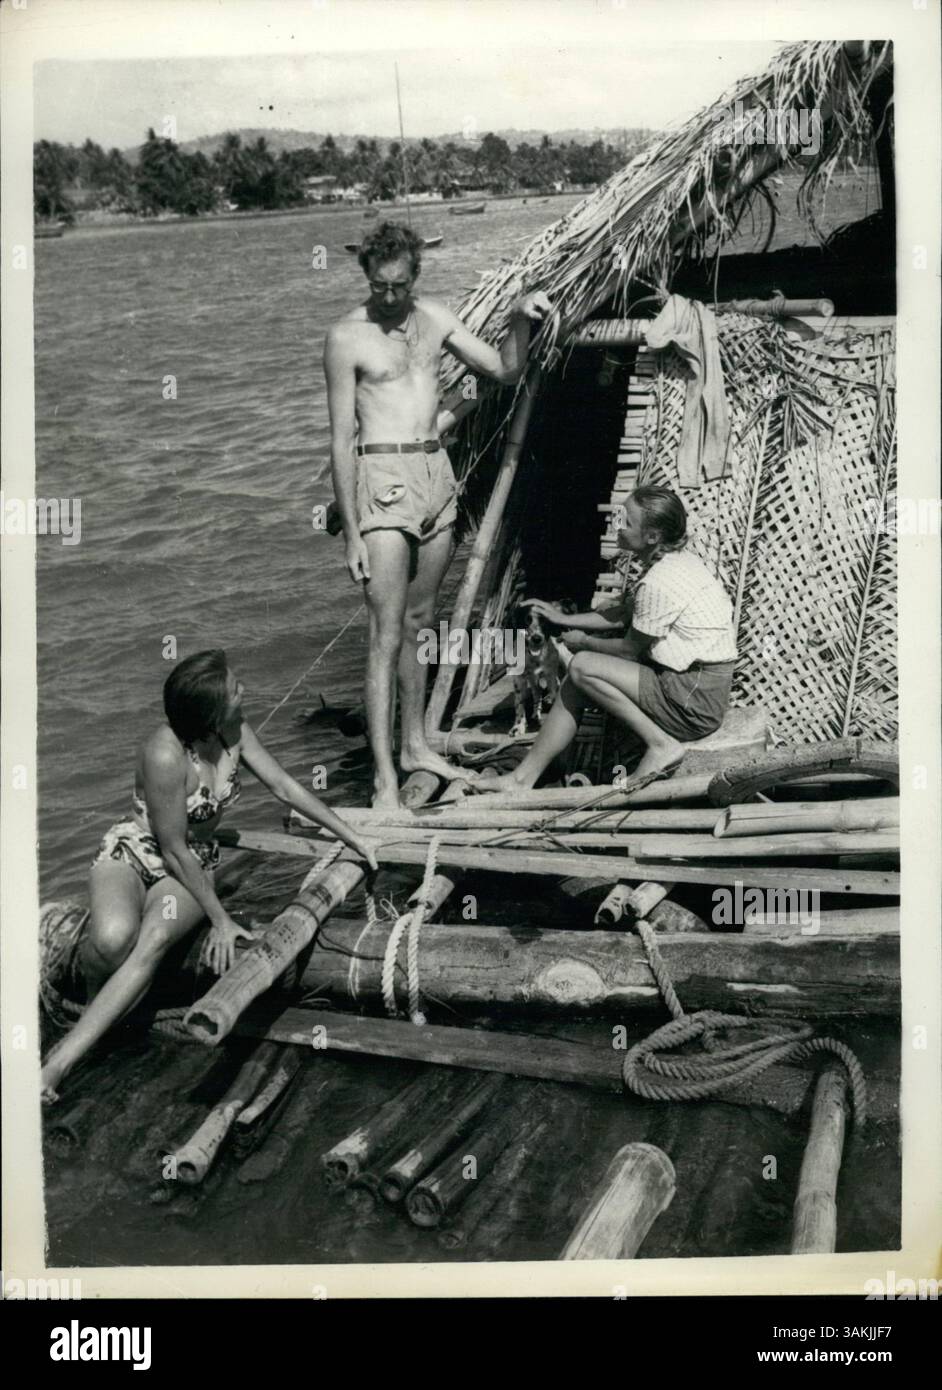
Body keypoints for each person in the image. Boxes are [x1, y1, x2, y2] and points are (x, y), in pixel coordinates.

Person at [40, 650, 377, 1102]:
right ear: (209, 713)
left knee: (155, 938)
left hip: (191, 862)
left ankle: (60, 1062)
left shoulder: (235, 730)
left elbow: (284, 786)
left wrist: (352, 835)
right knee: (110, 940)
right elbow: (171, 848)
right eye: (235, 690)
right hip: (137, 850)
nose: (245, 691)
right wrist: (220, 919)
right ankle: (101, 1016)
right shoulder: (164, 754)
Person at [324, 219, 551, 809]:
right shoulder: (345, 337)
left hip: (435, 475)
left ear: (415, 274)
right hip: (383, 477)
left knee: (420, 622)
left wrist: (518, 319)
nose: (389, 296)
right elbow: (341, 440)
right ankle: (383, 781)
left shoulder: (436, 319)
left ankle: (415, 746)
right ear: (366, 276)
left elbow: (504, 371)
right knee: (384, 633)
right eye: (379, 286)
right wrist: (351, 533)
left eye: (399, 285)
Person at [481, 486, 738, 792]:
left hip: (692, 700)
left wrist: (583, 642)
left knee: (581, 665)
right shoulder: (674, 563)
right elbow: (622, 614)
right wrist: (562, 619)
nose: (617, 524)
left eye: (625, 520)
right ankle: (522, 779)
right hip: (692, 688)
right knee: (574, 683)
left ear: (652, 536)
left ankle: (660, 745)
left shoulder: (659, 582)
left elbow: (629, 650)